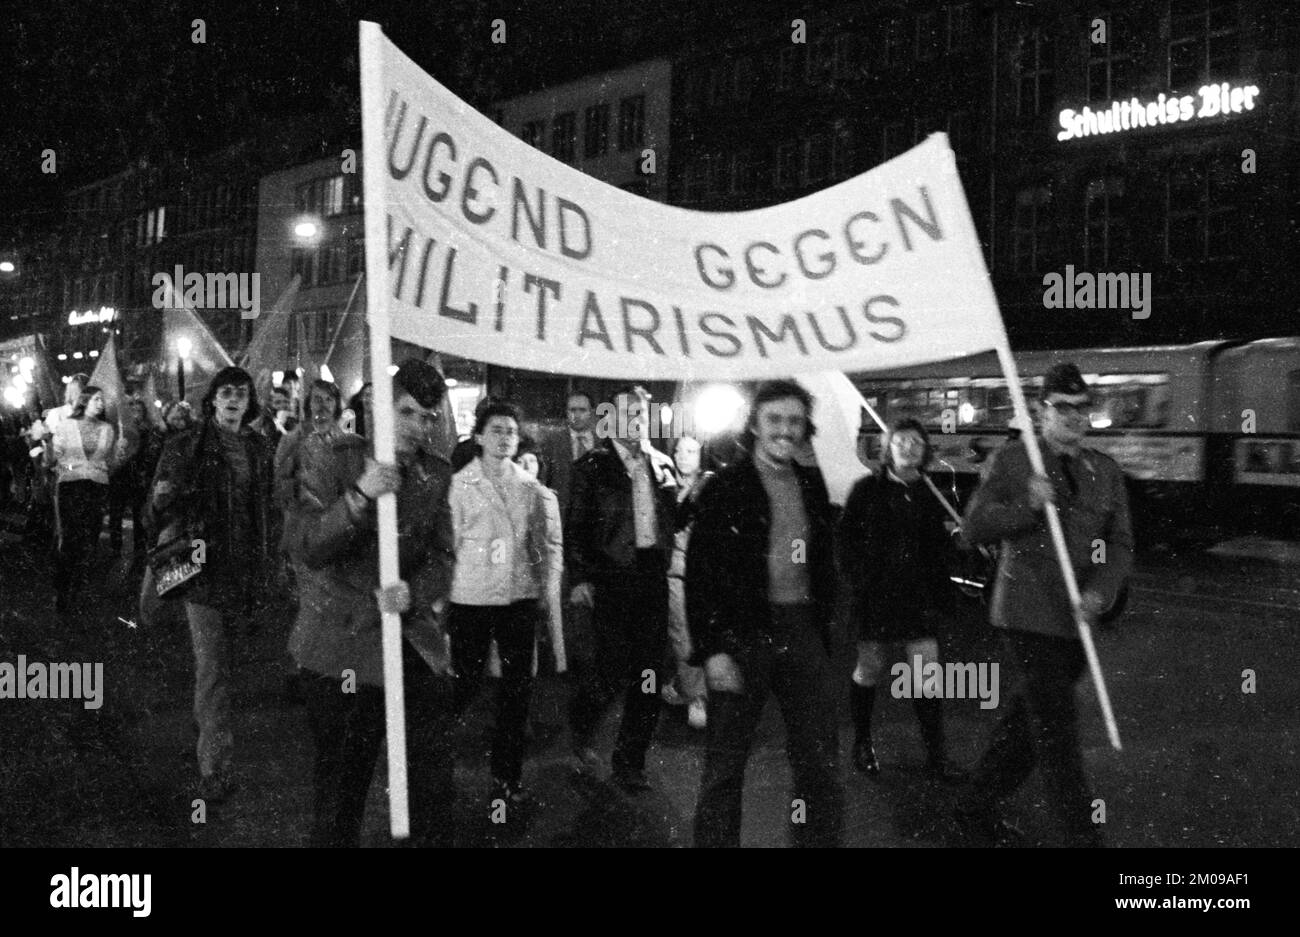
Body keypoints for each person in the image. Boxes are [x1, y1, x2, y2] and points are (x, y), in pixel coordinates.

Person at [954, 363, 1133, 848]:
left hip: (1077, 620)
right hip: (1026, 614)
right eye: (1062, 407)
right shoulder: (1015, 461)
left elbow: (1119, 544)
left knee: (1028, 726)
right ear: (1042, 411)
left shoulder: (1104, 471)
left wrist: (1102, 592)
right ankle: (1081, 837)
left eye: (1081, 408)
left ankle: (974, 802)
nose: (1073, 417)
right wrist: (1027, 506)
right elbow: (973, 529)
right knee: (1057, 730)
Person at [283, 359, 457, 848]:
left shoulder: (434, 473)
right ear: (381, 405)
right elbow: (309, 545)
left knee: (432, 782)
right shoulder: (330, 457)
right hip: (342, 645)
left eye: (428, 417)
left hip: (410, 641)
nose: (419, 427)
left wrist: (414, 592)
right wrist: (360, 495)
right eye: (407, 412)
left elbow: (443, 555)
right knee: (342, 787)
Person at [687, 380, 842, 848]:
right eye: (774, 419)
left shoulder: (812, 485)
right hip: (742, 634)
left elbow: (821, 562)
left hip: (801, 630)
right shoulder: (725, 487)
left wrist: (823, 626)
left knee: (819, 760)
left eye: (795, 421)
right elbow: (700, 576)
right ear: (754, 425)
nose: (785, 430)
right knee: (725, 766)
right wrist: (713, 651)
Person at [148, 366, 272, 802]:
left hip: (243, 568)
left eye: (242, 393)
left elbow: (265, 509)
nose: (234, 399)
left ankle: (208, 732)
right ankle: (214, 767)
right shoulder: (188, 444)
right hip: (202, 569)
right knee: (213, 666)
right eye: (226, 392)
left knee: (226, 667)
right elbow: (156, 506)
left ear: (249, 402)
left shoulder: (259, 447)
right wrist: (165, 499)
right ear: (213, 399)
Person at [447, 402, 564, 807]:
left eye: (511, 432)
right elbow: (451, 544)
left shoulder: (529, 487)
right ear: (479, 437)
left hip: (518, 598)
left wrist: (543, 591)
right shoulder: (459, 485)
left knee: (517, 692)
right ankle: (433, 764)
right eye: (496, 430)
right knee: (464, 683)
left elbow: (539, 545)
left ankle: (507, 777)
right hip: (472, 598)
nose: (505, 438)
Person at [838, 417, 964, 782]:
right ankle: (863, 743)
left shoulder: (932, 492)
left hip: (918, 597)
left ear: (925, 450)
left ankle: (936, 754)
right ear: (888, 447)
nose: (908, 448)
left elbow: (938, 547)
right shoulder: (866, 489)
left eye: (916, 442)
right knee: (870, 667)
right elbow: (845, 540)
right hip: (876, 596)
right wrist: (859, 579)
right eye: (901, 441)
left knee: (926, 673)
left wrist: (958, 542)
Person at [566, 385, 678, 793]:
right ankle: (581, 729)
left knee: (649, 671)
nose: (636, 421)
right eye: (628, 414)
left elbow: (672, 519)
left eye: (641, 414)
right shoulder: (592, 467)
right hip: (611, 577)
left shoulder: (661, 464)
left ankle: (630, 762)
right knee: (609, 670)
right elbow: (576, 527)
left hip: (652, 577)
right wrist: (580, 578)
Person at [48, 385, 122, 614]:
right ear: (85, 400)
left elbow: (109, 464)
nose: (101, 404)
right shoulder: (66, 425)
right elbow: (55, 459)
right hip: (71, 486)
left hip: (97, 488)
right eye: (97, 399)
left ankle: (79, 589)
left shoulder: (107, 429)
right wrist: (48, 444)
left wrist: (118, 455)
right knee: (70, 539)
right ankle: (62, 589)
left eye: (102, 400)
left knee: (89, 540)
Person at [661, 434, 711, 730]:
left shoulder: (709, 485)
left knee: (700, 632)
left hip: (704, 572)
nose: (684, 457)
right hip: (675, 572)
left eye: (691, 451)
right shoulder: (665, 487)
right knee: (682, 634)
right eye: (679, 451)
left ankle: (690, 688)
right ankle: (696, 695)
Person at [107, 397, 163, 557]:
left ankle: (139, 548)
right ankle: (115, 547)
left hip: (138, 477)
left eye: (138, 411)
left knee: (138, 515)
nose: (135, 414)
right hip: (119, 476)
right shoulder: (120, 430)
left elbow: (150, 452)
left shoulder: (148, 430)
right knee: (116, 512)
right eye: (132, 411)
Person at [541, 390, 597, 518]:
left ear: (591, 412)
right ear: (566, 412)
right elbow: (543, 481)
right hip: (562, 516)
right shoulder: (552, 442)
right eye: (572, 410)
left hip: (595, 517)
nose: (577, 415)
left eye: (582, 410)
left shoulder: (602, 443)